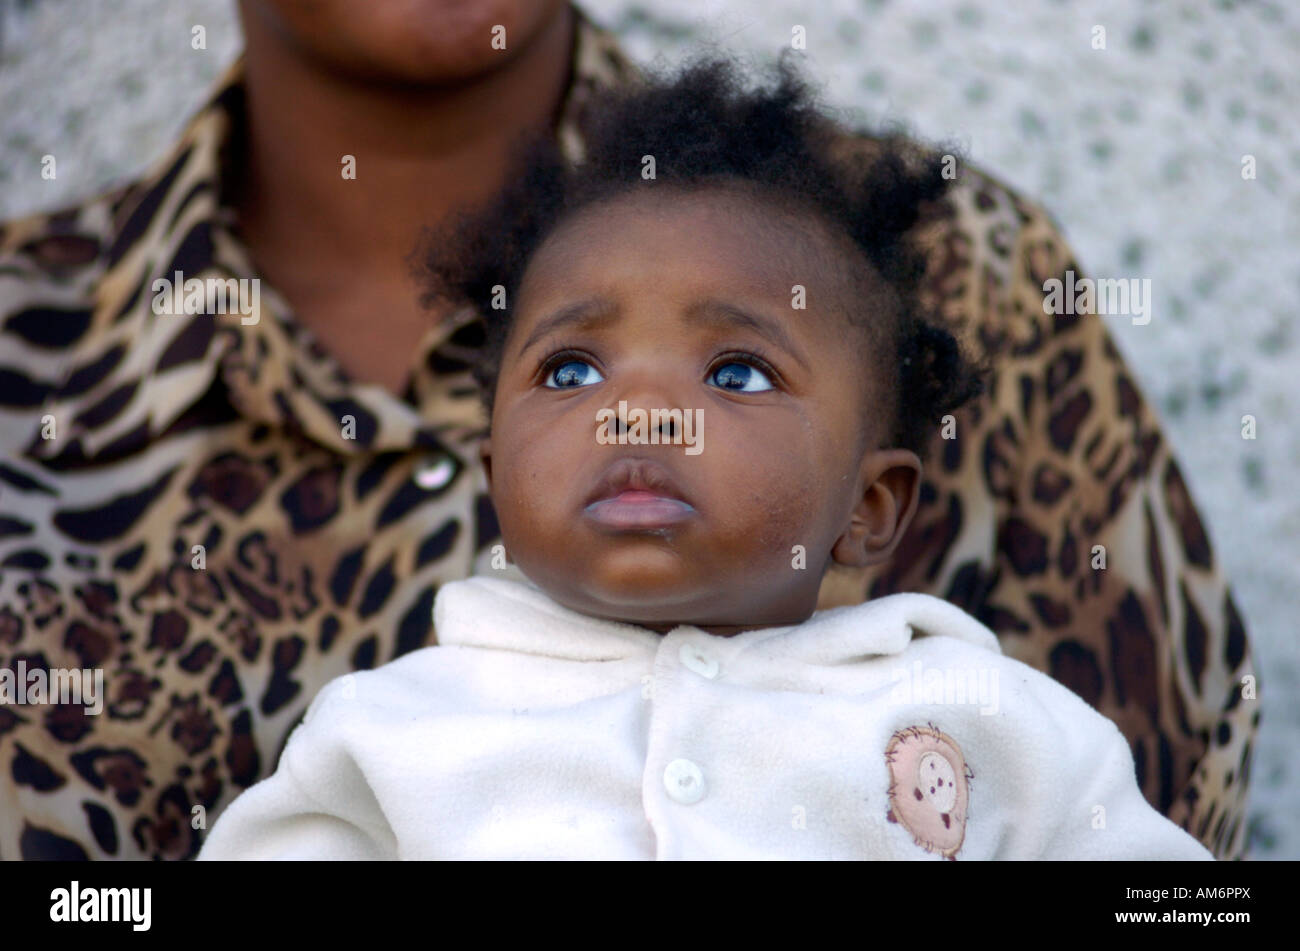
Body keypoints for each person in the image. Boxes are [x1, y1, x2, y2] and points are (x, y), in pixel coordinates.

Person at [0, 1, 1255, 860]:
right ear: (493, 466)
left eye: (738, 373)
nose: (641, 410)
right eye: (572, 365)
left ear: (876, 509)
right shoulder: (393, 733)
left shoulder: (983, 716)